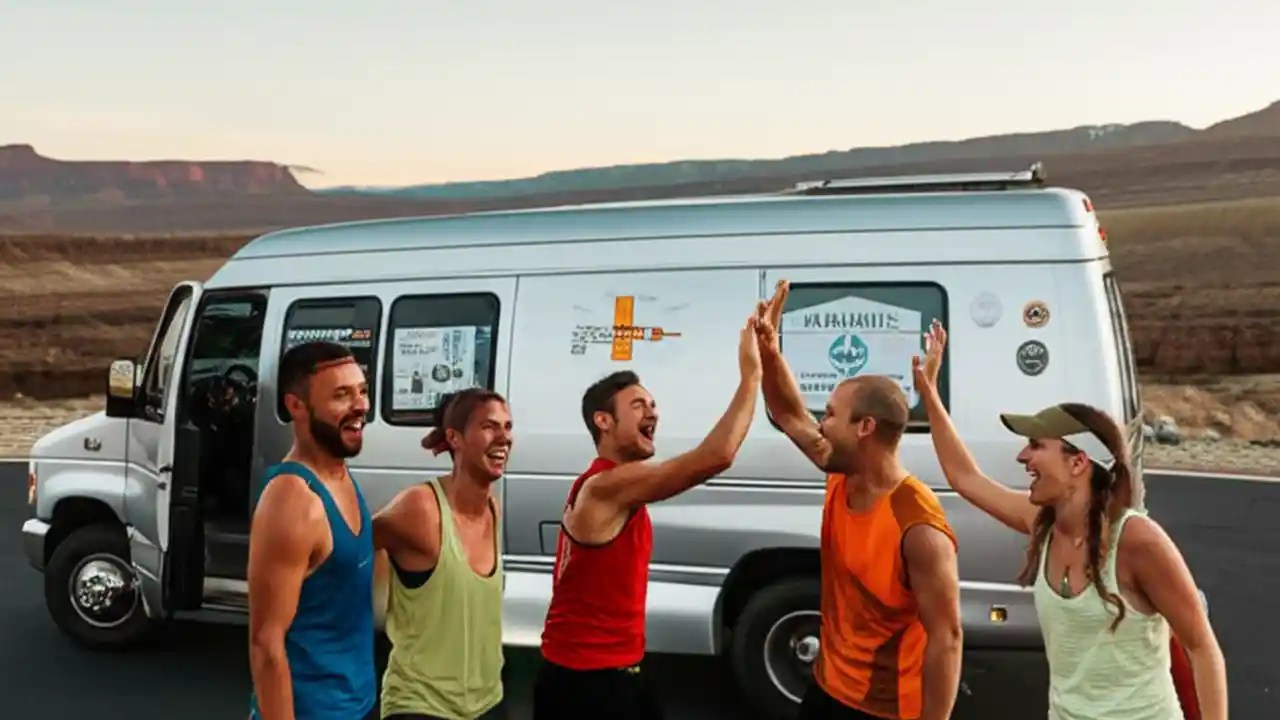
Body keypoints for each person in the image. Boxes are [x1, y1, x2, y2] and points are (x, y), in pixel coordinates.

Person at [911, 319, 1228, 720]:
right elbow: (965, 477)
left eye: (1036, 446)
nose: (1022, 457)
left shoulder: (1136, 541)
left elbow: (1201, 646)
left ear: (1078, 462)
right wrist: (930, 393)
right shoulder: (1041, 523)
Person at [532, 315, 763, 720]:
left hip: (616, 672)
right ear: (603, 421)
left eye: (653, 404)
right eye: (638, 405)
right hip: (585, 683)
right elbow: (716, 456)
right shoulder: (606, 485)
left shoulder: (615, 485)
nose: (652, 412)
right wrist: (751, 377)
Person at [752, 280, 963, 720]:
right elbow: (790, 413)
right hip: (827, 689)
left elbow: (947, 638)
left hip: (884, 710)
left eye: (830, 414)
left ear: (865, 427)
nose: (821, 424)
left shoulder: (918, 526)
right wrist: (769, 352)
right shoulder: (840, 471)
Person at [248, 341, 378, 720]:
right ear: (296, 406)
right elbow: (265, 644)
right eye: (342, 395)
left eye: (362, 390)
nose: (361, 406)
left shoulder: (338, 470)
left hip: (358, 701)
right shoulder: (293, 501)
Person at [373, 388, 512, 720]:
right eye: (490, 426)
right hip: (421, 704)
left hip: (488, 702)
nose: (504, 437)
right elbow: (358, 540)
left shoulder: (493, 508)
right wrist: (381, 602)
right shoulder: (420, 508)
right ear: (455, 437)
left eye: (508, 427)